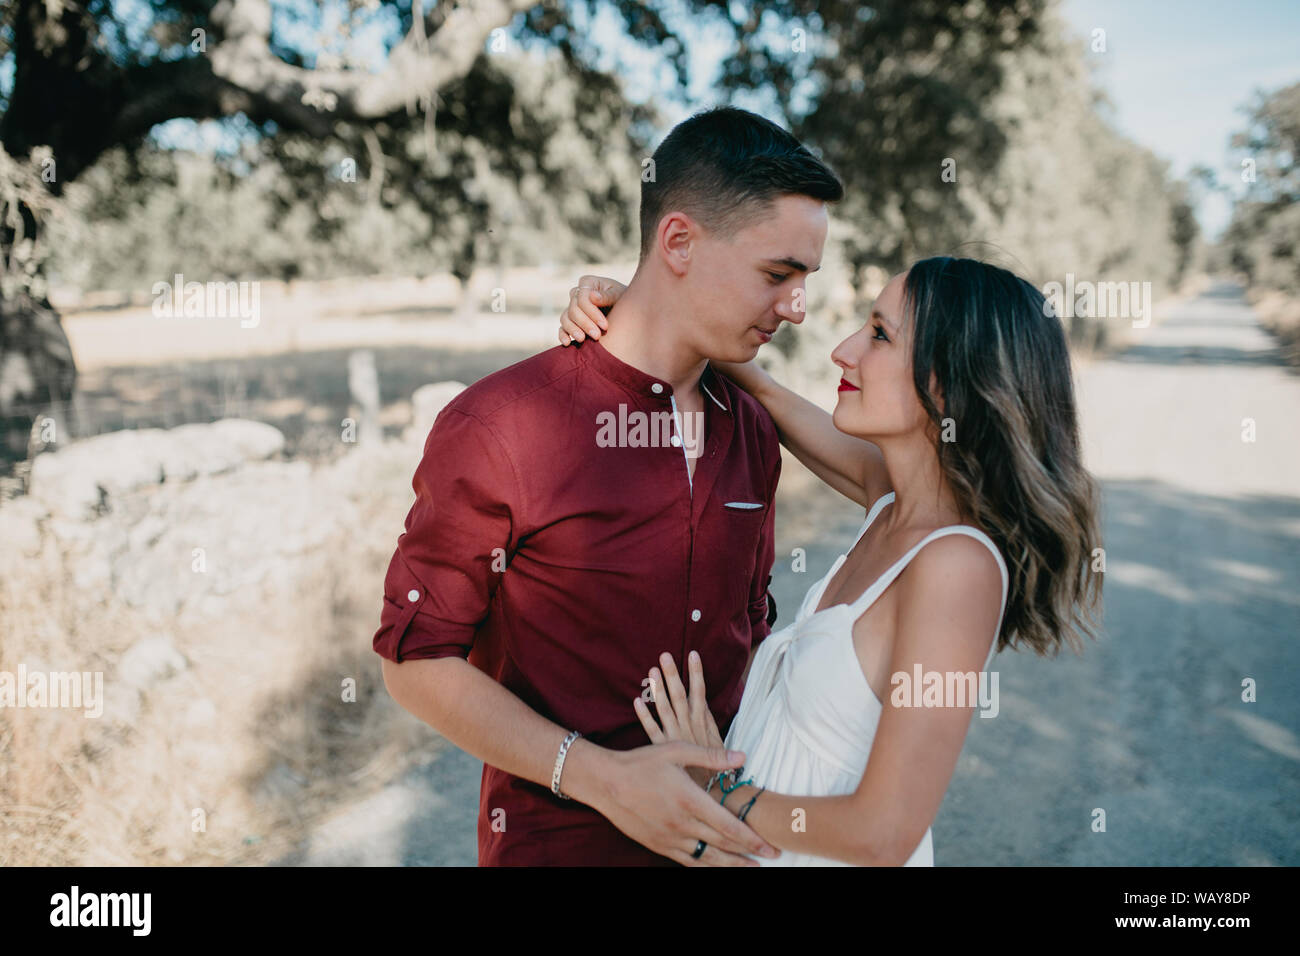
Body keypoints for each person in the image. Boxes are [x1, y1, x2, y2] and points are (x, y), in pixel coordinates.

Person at [372, 106, 844, 865]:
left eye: (803, 279)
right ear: (679, 242)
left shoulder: (754, 431)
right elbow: (414, 659)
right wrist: (600, 777)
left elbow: (748, 628)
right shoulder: (501, 424)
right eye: (778, 273)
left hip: (732, 847)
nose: (796, 306)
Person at [558, 255, 1103, 864]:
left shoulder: (956, 568)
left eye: (879, 335)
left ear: (949, 382)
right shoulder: (893, 501)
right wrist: (645, 306)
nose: (843, 351)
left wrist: (717, 796)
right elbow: (763, 389)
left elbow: (885, 831)